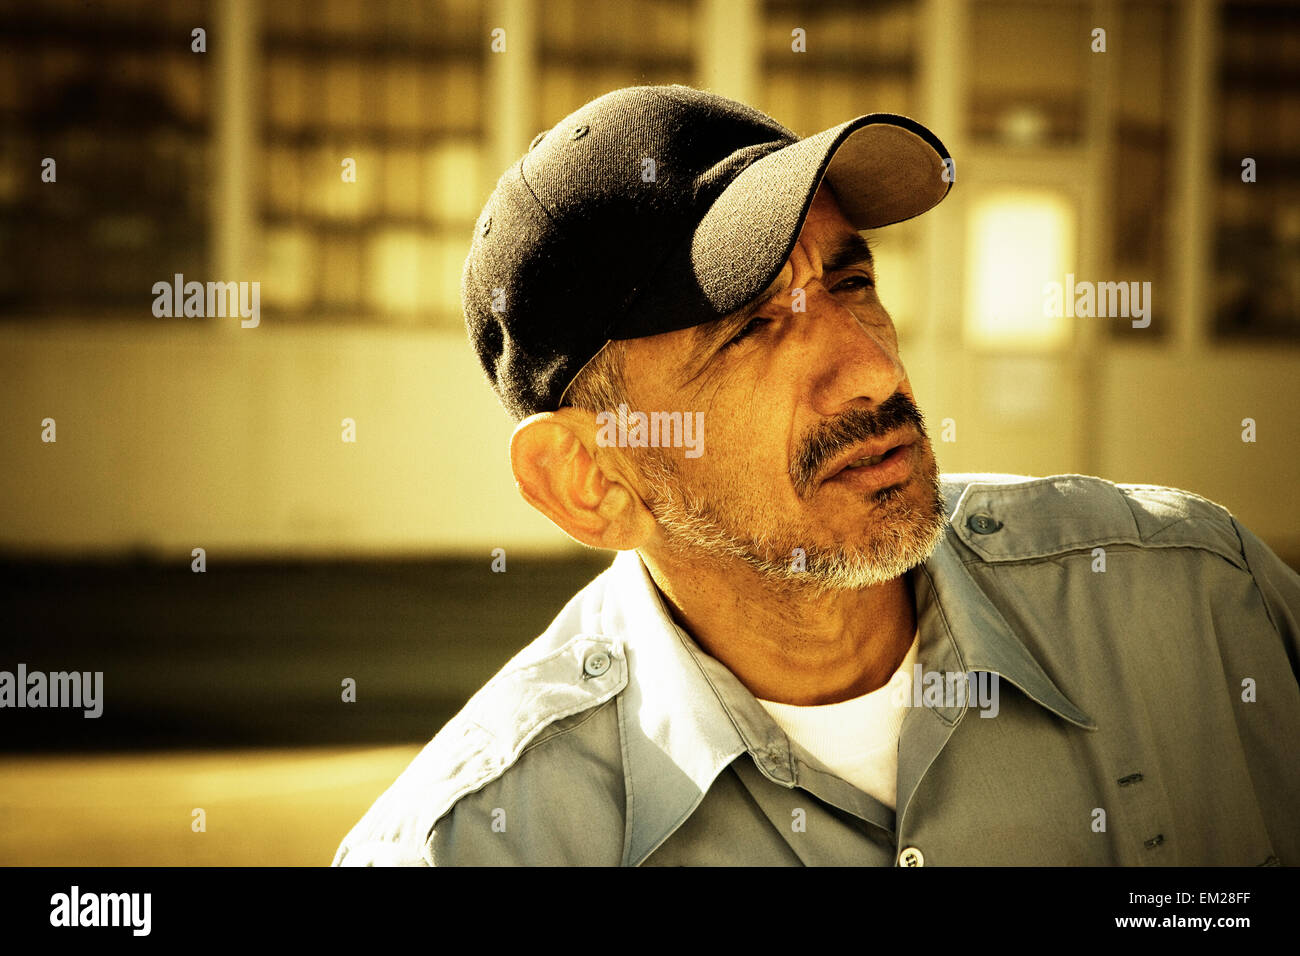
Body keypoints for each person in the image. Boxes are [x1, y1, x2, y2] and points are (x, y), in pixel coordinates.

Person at [332, 84, 1300, 866]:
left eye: (851, 282)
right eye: (751, 328)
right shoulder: (474, 846)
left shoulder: (1207, 613)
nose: (875, 368)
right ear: (589, 478)